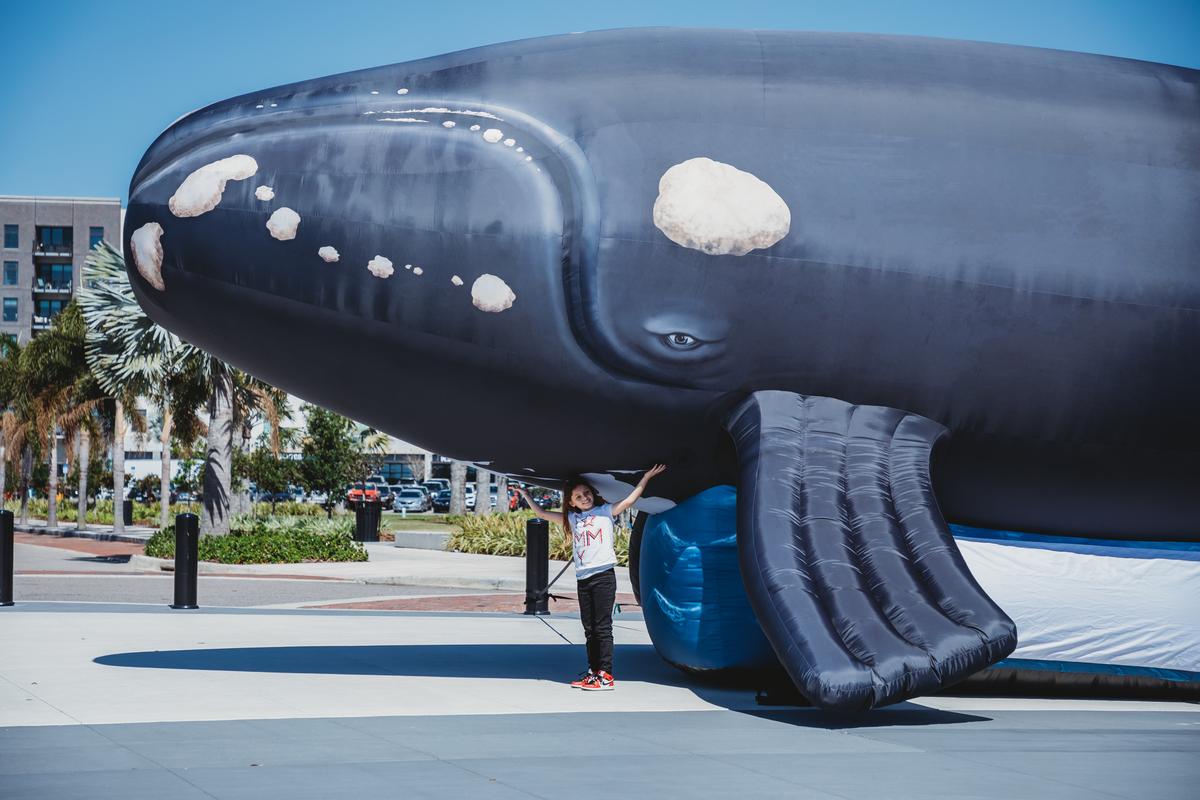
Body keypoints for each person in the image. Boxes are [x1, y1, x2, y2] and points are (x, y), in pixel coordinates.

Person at [517, 465, 667, 691]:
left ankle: (605, 675)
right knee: (589, 628)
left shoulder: (605, 511)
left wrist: (645, 479)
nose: (584, 498)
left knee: (602, 627)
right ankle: (593, 672)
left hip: (603, 577)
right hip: (583, 579)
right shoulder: (572, 519)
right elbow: (542, 514)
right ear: (571, 502)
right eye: (578, 497)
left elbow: (629, 501)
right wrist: (527, 495)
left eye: (586, 493)